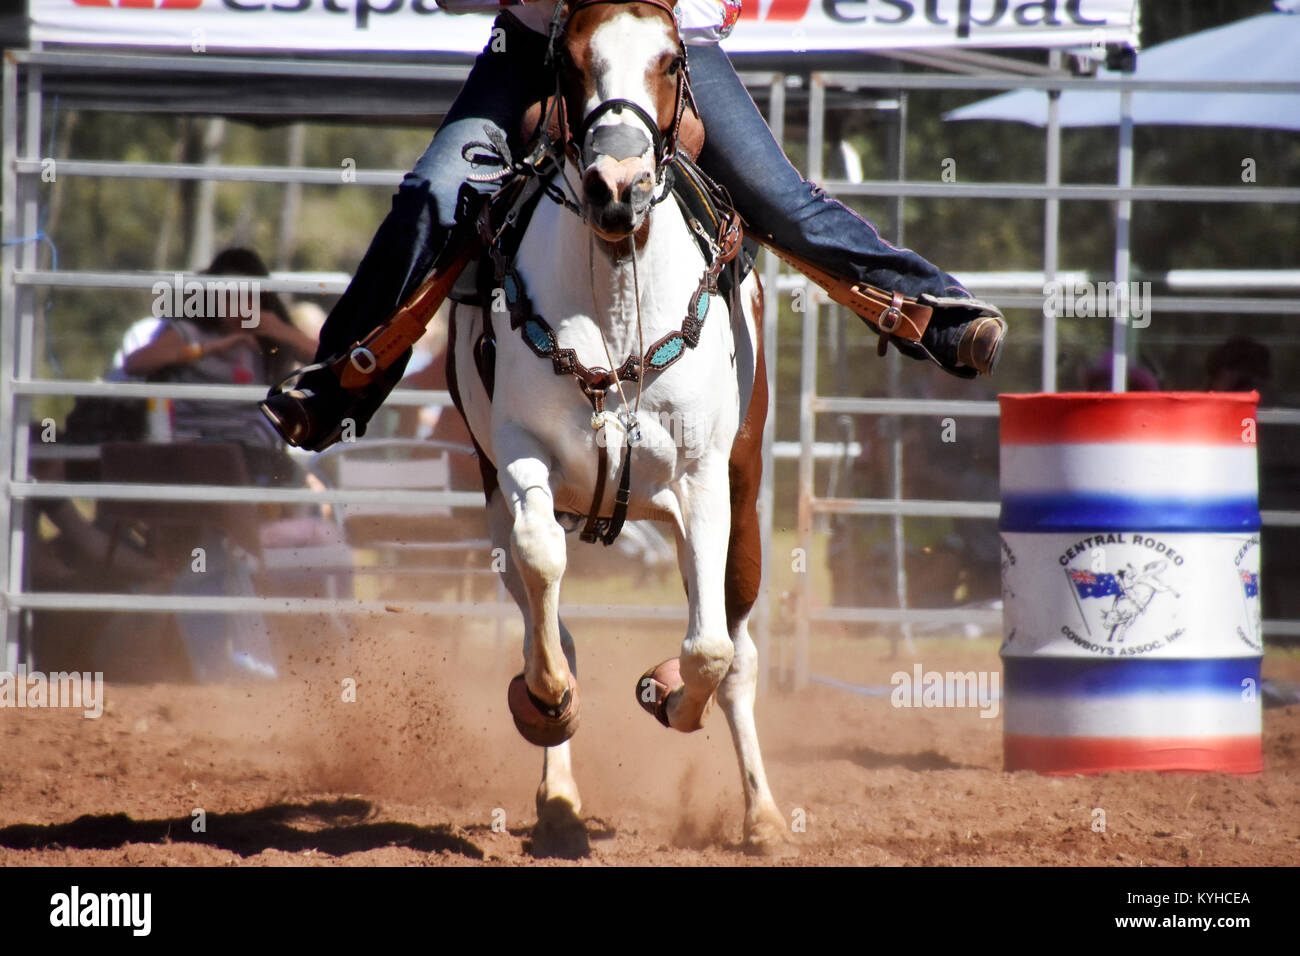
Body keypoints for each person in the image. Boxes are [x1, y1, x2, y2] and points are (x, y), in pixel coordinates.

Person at [262, 0, 1007, 450]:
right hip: (535, 47)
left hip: (659, 43)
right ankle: (336, 385)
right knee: (435, 192)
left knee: (779, 199)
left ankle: (934, 312)